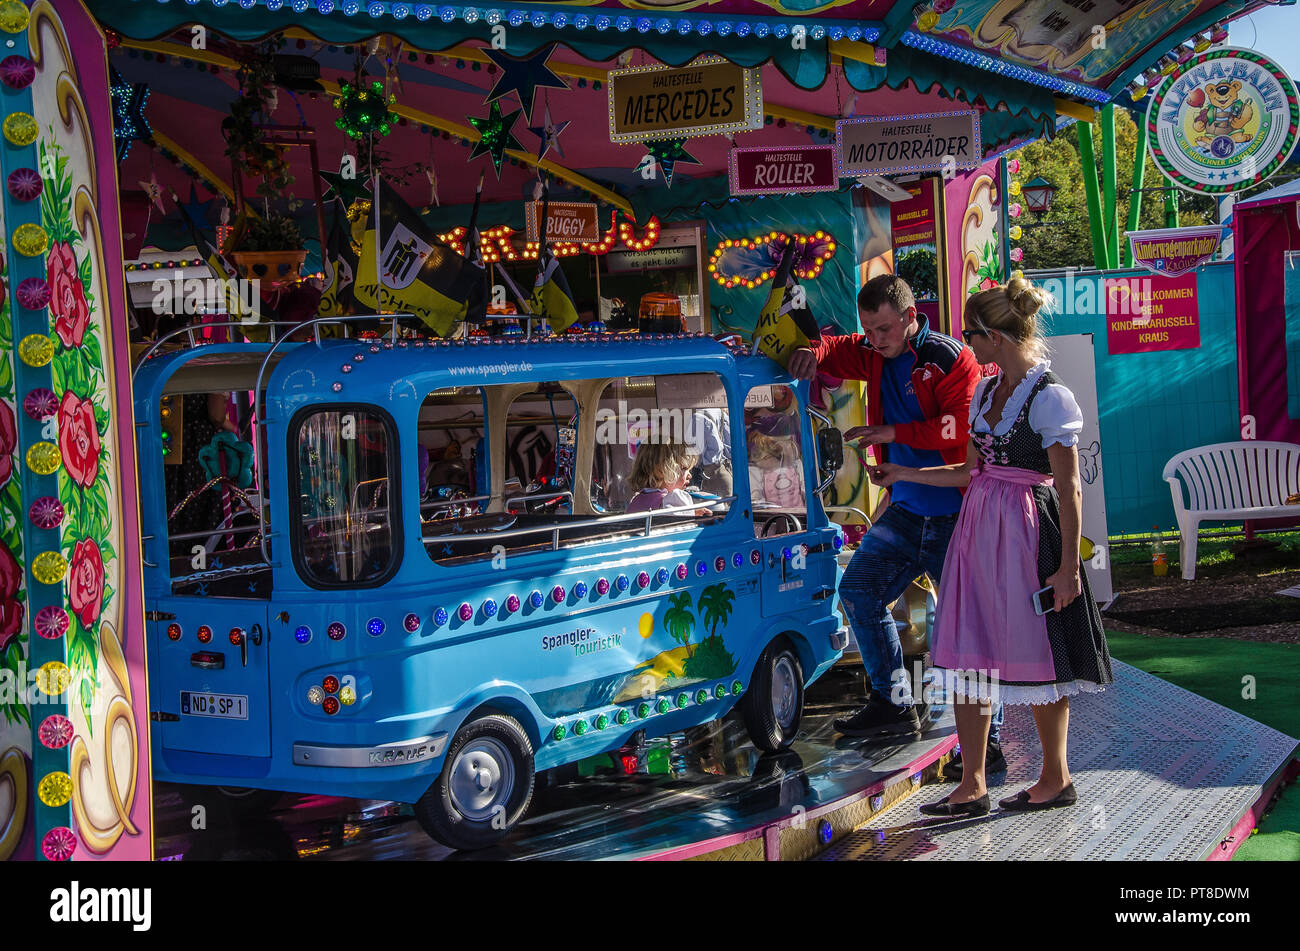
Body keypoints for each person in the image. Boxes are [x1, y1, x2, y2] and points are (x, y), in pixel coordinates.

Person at [869, 276, 1114, 817]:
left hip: (1029, 531)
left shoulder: (1049, 395)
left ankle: (1056, 777)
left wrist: (1069, 566)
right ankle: (973, 783)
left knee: (1041, 652)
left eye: (970, 334)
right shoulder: (984, 392)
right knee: (965, 649)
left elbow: (1069, 486)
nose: (966, 344)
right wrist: (906, 472)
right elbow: (972, 471)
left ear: (995, 339)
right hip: (978, 530)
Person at [789, 275, 1004, 762]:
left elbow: (958, 432)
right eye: (869, 329)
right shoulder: (871, 349)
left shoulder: (950, 357)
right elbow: (834, 347)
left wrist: (889, 429)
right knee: (859, 591)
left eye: (884, 328)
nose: (875, 339)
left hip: (957, 516)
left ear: (910, 317)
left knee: (967, 628)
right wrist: (811, 350)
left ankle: (986, 743)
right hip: (906, 509)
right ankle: (892, 700)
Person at [625, 441, 706, 515]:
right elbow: (685, 527)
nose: (690, 475)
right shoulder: (673, 502)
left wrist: (692, 513)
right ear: (661, 471)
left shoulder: (637, 501)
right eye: (684, 468)